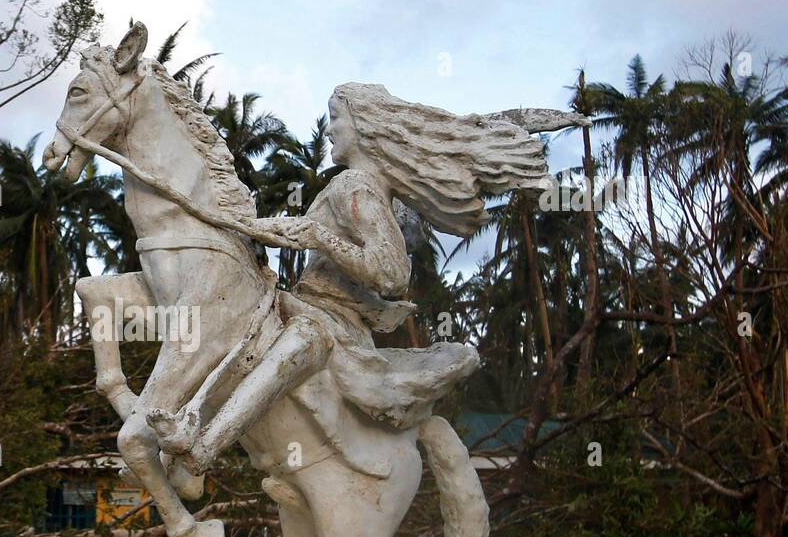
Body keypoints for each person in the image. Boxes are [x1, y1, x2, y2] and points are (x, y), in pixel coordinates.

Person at [149, 82, 551, 477]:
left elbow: (392, 274)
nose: (329, 129)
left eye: (336, 118)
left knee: (300, 339)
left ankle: (202, 451)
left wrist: (319, 236)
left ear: (364, 127)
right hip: (304, 301)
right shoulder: (349, 185)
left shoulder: (357, 186)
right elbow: (303, 232)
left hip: (333, 322)